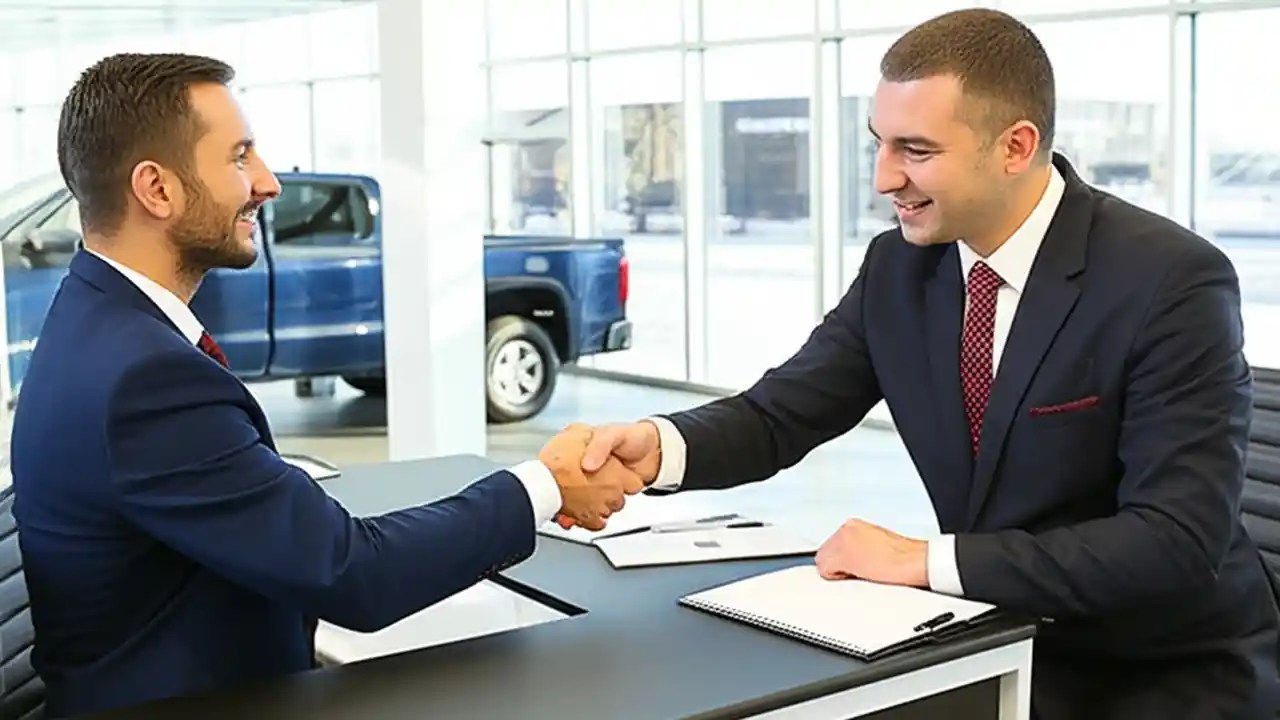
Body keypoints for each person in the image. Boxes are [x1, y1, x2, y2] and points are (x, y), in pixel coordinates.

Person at [566, 9, 1280, 720]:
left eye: (915, 150)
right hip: (996, 641)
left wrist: (925, 561)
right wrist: (657, 447)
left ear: (1015, 146)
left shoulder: (1168, 279)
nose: (883, 179)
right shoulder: (900, 269)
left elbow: (1176, 539)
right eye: (879, 144)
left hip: (1160, 672)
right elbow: (779, 415)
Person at [8, 53, 642, 717]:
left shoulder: (91, 313)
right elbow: (355, 575)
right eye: (240, 157)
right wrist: (546, 484)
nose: (268, 182)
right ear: (156, 190)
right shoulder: (145, 379)